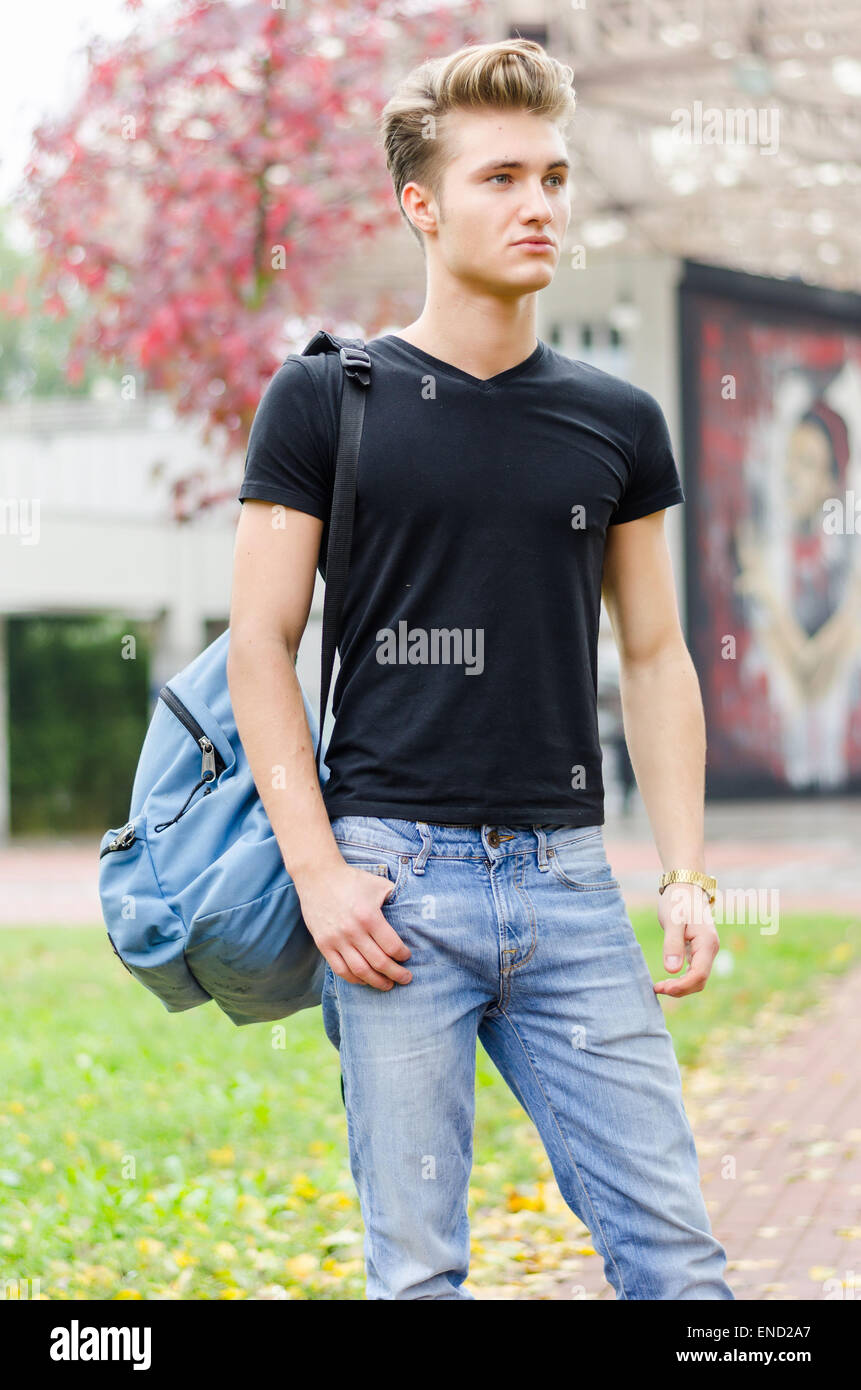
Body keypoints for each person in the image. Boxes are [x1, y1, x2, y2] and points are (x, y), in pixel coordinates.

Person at [227, 38, 734, 1301]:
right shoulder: (323, 400)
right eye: (503, 176)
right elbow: (258, 645)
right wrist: (320, 871)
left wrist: (685, 870)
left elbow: (660, 654)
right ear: (421, 203)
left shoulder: (618, 420)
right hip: (391, 893)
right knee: (419, 1279)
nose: (540, 205)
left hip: (568, 884)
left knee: (678, 1265)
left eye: (555, 177)